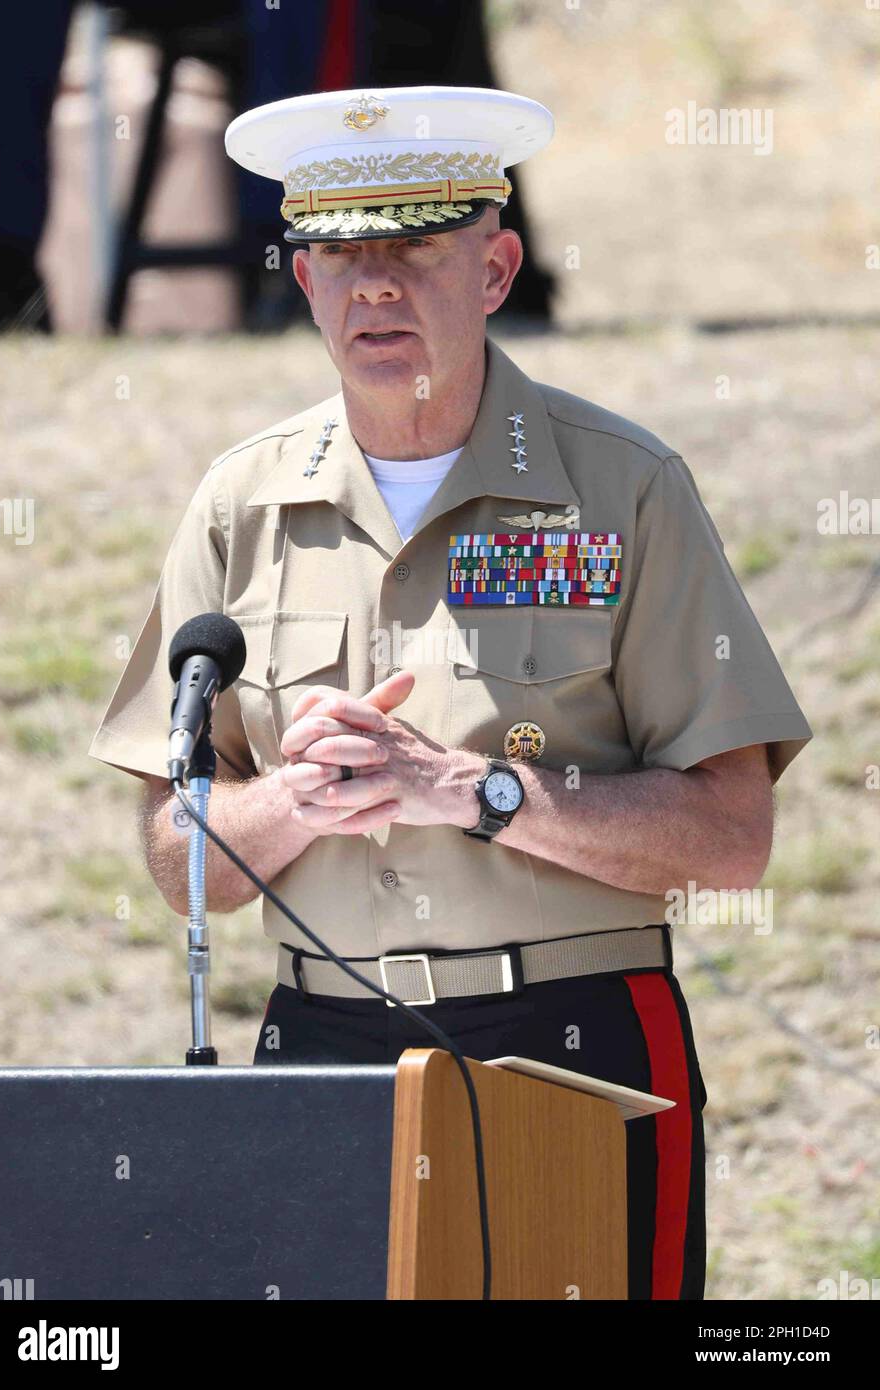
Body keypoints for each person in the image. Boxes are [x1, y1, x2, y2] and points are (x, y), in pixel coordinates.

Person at [89, 84, 813, 1300]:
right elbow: (178, 859)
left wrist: (469, 790)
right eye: (339, 252)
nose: (375, 284)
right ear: (304, 281)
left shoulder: (624, 489)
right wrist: (292, 807)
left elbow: (733, 837)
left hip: (570, 1049)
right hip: (321, 1049)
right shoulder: (238, 506)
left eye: (415, 245)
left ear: (495, 265)